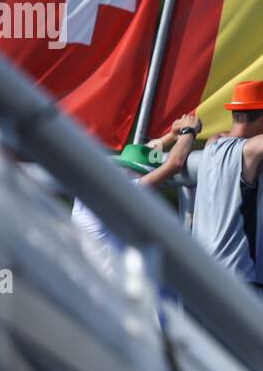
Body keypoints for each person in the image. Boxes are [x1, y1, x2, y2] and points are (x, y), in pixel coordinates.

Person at [163, 80, 263, 289]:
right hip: (235, 276)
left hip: (200, 273)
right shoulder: (249, 149)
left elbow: (221, 135)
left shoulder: (212, 144)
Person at [72, 115, 197, 278]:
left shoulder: (99, 187)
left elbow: (140, 153)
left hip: (90, 284)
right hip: (109, 292)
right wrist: (189, 131)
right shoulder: (120, 192)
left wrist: (171, 137)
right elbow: (175, 164)